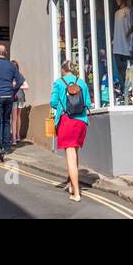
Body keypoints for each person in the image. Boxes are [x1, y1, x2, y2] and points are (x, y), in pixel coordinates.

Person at [50, 60, 90, 202]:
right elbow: (88, 103)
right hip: (81, 122)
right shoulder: (82, 83)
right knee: (75, 153)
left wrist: (62, 104)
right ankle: (71, 185)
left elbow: (53, 103)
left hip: (67, 121)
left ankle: (76, 193)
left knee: (70, 156)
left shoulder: (59, 83)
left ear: (63, 71)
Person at [10, 60, 29, 143]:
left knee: (14, 118)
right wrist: (20, 86)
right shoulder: (20, 75)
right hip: (21, 97)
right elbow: (26, 86)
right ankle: (17, 136)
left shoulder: (10, 76)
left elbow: (27, 86)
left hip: (15, 97)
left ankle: (14, 138)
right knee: (18, 117)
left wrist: (15, 86)